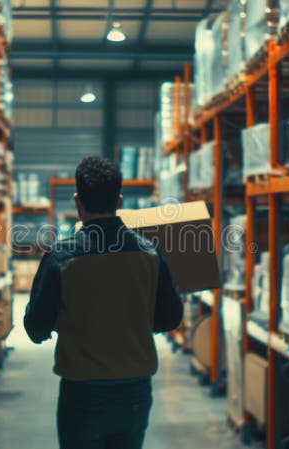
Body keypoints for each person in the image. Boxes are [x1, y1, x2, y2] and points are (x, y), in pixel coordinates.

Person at [24, 156, 184, 449]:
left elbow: (35, 328)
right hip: (135, 390)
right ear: (119, 200)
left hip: (83, 392)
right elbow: (170, 318)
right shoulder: (150, 254)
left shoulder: (60, 258)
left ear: (77, 200)